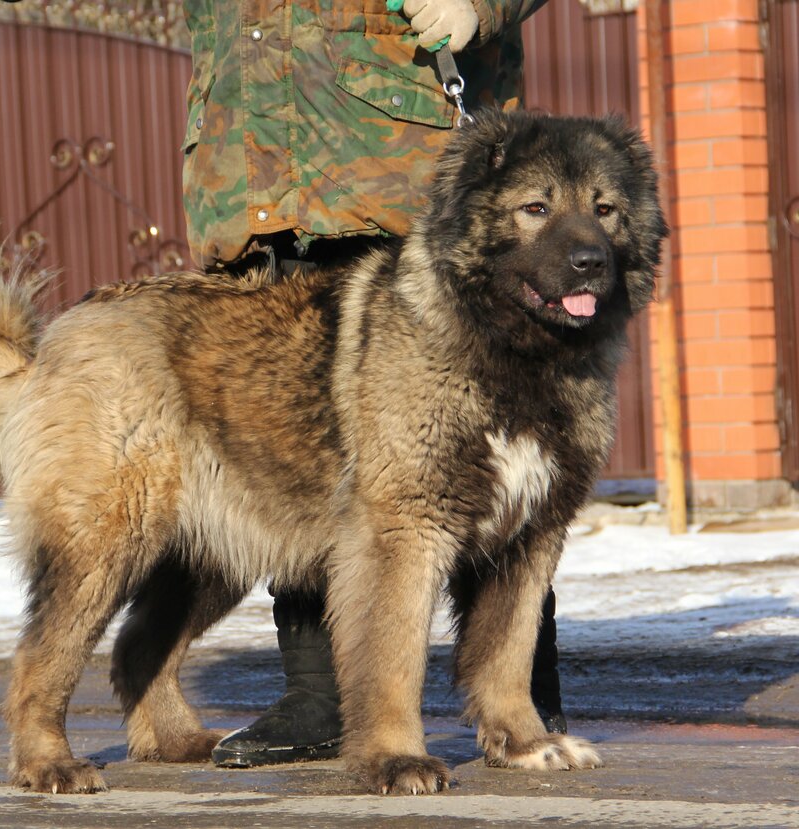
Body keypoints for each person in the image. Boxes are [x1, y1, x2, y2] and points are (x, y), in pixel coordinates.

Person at [180, 0, 561, 768]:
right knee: (302, 463)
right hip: (253, 181)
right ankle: (322, 691)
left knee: (483, 461)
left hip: (401, 175)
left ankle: (512, 695)